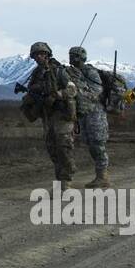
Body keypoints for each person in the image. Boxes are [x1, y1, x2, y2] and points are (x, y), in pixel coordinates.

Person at [21, 42, 78, 189]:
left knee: (64, 147)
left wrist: (57, 95)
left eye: (41, 54)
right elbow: (32, 91)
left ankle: (66, 181)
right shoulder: (36, 74)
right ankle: (60, 180)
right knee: (52, 148)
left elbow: (72, 90)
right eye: (36, 55)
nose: (38, 57)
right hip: (47, 115)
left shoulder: (59, 71)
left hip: (62, 114)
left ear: (47, 54)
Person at [66, 46, 111, 188]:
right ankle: (100, 175)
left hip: (95, 112)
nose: (72, 58)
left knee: (98, 143)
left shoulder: (90, 72)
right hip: (84, 113)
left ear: (82, 57)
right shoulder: (72, 72)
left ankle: (103, 176)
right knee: (91, 145)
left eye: (75, 56)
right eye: (71, 55)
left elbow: (97, 92)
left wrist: (78, 87)